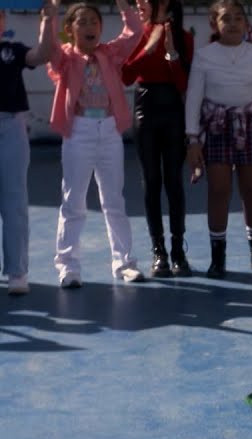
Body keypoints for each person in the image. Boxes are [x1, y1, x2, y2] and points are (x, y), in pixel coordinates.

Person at [47, 0, 145, 287]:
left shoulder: (111, 53)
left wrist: (124, 4)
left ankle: (124, 262)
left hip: (110, 130)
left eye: (94, 21)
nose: (90, 27)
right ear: (70, 29)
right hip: (79, 131)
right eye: (83, 22)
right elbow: (49, 46)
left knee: (114, 199)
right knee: (73, 201)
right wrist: (51, 15)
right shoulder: (64, 57)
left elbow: (135, 32)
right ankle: (68, 266)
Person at [184, 0, 252, 277]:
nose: (234, 23)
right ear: (215, 24)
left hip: (250, 127)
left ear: (246, 24)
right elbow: (193, 98)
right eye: (227, 18)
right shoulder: (204, 56)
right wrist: (192, 138)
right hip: (216, 129)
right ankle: (218, 258)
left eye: (239, 18)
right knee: (219, 190)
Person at [121, 0, 194, 278]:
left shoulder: (184, 36)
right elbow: (126, 76)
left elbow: (184, 83)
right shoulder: (137, 34)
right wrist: (148, 49)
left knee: (174, 181)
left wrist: (172, 55)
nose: (140, 3)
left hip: (173, 109)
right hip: (145, 108)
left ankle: (178, 251)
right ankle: (158, 251)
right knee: (151, 180)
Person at [0, 1, 58, 296]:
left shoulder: (13, 50)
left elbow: (43, 54)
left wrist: (48, 20)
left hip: (10, 127)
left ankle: (17, 272)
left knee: (14, 200)